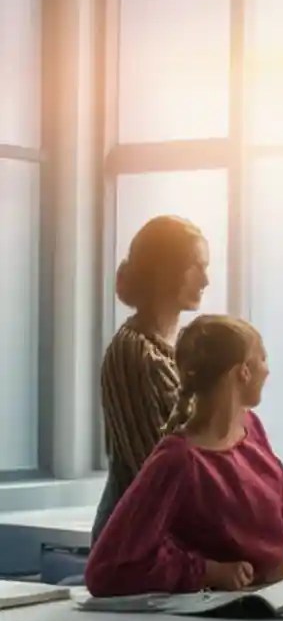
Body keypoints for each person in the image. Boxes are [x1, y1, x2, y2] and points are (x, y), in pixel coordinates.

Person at [85, 316, 283, 597]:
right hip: (218, 618)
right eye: (262, 359)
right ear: (243, 371)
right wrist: (207, 571)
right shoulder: (178, 459)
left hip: (275, 600)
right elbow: (107, 568)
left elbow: (249, 502)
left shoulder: (252, 429)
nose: (268, 371)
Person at [93, 216, 210, 543]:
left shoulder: (178, 349)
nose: (206, 280)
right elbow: (155, 472)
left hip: (171, 536)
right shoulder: (134, 353)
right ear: (166, 269)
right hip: (138, 541)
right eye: (196, 267)